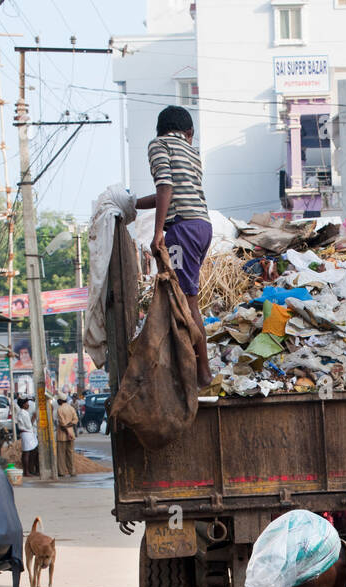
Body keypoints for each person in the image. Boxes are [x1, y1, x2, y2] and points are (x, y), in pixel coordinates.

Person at [135, 105, 213, 391]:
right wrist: (131, 204)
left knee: (186, 302)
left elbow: (164, 186)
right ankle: (195, 366)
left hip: (182, 229)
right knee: (185, 298)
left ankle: (202, 372)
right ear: (188, 133)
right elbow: (166, 192)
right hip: (202, 227)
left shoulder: (159, 145)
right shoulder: (191, 151)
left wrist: (158, 233)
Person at [55, 393, 79, 478]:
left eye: (58, 400)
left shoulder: (60, 409)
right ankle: (72, 471)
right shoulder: (71, 408)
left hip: (62, 434)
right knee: (70, 454)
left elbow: (62, 423)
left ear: (60, 400)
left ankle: (61, 472)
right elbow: (76, 420)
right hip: (71, 433)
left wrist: (66, 429)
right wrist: (69, 426)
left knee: (61, 455)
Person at [15, 396, 38, 477]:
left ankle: (28, 470)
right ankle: (26, 472)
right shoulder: (24, 413)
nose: (28, 405)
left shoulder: (23, 412)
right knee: (27, 453)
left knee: (28, 452)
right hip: (26, 433)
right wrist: (33, 418)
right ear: (23, 404)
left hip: (27, 434)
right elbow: (29, 426)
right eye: (27, 403)